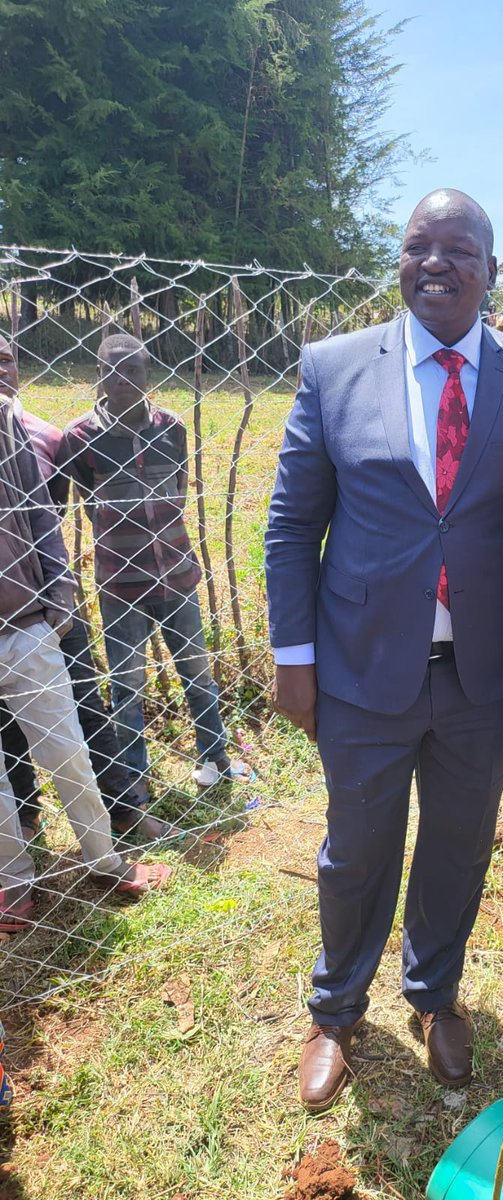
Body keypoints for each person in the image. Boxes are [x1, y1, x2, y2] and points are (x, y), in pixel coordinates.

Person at [266, 188, 503, 1112]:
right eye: (417, 246)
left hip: (482, 675)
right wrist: (294, 658)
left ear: (491, 270)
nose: (436, 263)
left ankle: (434, 994)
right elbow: (292, 526)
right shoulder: (334, 369)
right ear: (400, 262)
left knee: (459, 846)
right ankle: (335, 1012)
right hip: (361, 668)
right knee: (356, 849)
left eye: (459, 249)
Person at [0, 348, 170, 932]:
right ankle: (13, 878)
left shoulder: (27, 431)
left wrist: (57, 603)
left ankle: (108, 851)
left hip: (28, 620)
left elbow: (44, 518)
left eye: (6, 359)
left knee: (72, 740)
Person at [58, 334, 249, 797]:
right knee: (127, 685)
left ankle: (215, 757)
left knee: (197, 673)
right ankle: (135, 777)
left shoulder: (171, 428)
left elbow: (179, 490)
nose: (122, 379)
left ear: (148, 375)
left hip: (177, 576)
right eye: (111, 370)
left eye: (133, 370)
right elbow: (87, 502)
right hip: (120, 585)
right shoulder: (80, 438)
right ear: (98, 375)